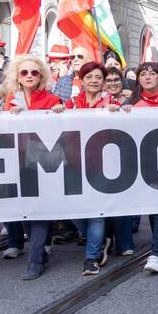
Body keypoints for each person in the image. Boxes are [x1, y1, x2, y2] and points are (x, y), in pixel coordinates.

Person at [0, 55, 64, 280]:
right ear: (18, 76)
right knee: (25, 212)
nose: (29, 76)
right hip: (18, 163)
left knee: (40, 214)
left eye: (34, 72)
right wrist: (4, 117)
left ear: (41, 76)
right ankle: (40, 251)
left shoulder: (52, 99)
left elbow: (62, 127)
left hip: (43, 164)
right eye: (24, 72)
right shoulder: (11, 100)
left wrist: (58, 113)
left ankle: (35, 260)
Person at [117, 62, 158, 274]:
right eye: (144, 74)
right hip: (142, 163)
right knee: (152, 207)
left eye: (153, 73)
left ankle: (156, 252)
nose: (148, 77)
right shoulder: (131, 102)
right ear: (138, 79)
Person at [61, 61, 119, 274]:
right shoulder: (72, 103)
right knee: (75, 210)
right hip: (75, 164)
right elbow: (55, 123)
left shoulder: (111, 102)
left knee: (96, 212)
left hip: (101, 166)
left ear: (103, 81)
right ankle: (100, 239)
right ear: (82, 80)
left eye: (98, 77)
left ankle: (91, 258)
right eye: (89, 77)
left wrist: (118, 112)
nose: (94, 81)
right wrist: (57, 111)